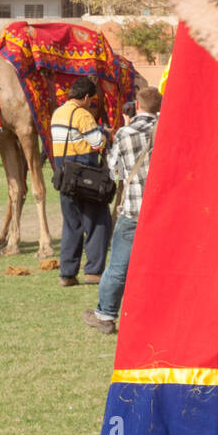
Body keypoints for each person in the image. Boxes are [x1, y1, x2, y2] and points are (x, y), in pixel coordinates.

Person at [83, 87, 162, 334]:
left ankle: (106, 314)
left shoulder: (125, 133)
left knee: (118, 266)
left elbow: (113, 168)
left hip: (133, 210)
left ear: (136, 107)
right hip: (161, 211)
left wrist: (124, 175)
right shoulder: (166, 129)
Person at [51, 76, 112, 287]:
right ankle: (93, 271)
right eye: (91, 100)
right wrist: (104, 133)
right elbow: (97, 143)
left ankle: (67, 274)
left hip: (65, 173)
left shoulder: (58, 113)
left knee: (71, 224)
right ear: (86, 97)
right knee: (98, 222)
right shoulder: (83, 115)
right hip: (85, 174)